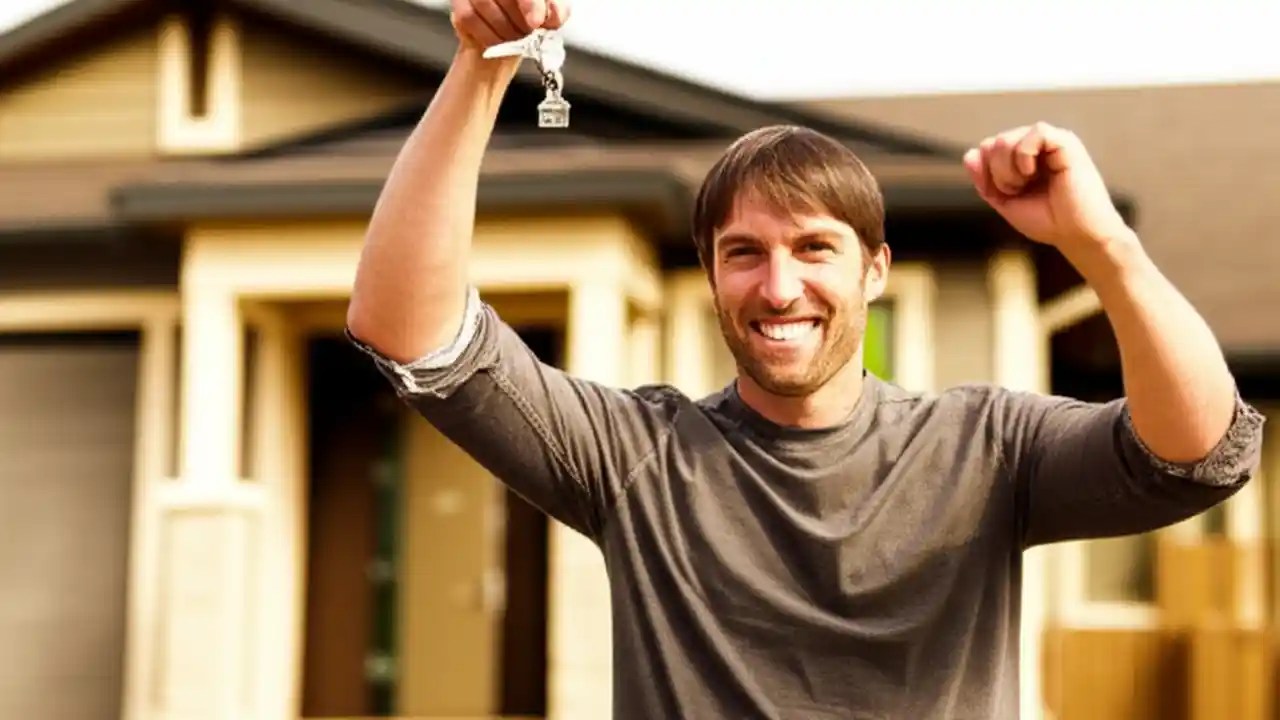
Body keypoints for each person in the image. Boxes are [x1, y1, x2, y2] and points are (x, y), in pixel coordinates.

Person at [345, 1, 1266, 717]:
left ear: (875, 270)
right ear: (712, 274)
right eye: (744, 253)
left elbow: (1199, 453)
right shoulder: (636, 457)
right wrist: (481, 63)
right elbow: (407, 328)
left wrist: (1103, 247)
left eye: (814, 248)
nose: (779, 287)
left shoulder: (984, 448)